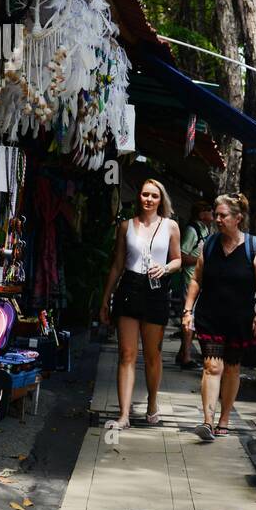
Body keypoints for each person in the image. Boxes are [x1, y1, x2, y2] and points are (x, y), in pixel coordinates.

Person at [182, 193, 256, 441]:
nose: (218, 219)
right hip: (210, 316)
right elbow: (196, 279)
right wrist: (188, 310)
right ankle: (207, 422)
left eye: (223, 215)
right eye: (216, 214)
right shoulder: (209, 245)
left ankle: (224, 418)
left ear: (237, 218)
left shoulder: (253, 246)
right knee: (212, 365)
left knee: (232, 368)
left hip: (240, 319)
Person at [99, 179, 182, 429]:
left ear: (161, 200)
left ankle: (152, 403)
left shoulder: (170, 226)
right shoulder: (126, 226)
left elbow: (178, 259)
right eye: (145, 194)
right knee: (126, 354)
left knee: (152, 355)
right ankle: (123, 415)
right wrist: (105, 299)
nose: (148, 199)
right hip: (130, 287)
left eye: (154, 196)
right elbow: (117, 264)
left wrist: (165, 267)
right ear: (139, 197)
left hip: (156, 289)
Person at [175, 200, 214, 370]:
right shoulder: (192, 230)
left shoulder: (205, 230)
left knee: (192, 320)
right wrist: (202, 261)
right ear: (201, 214)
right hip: (190, 280)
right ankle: (186, 357)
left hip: (200, 282)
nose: (213, 214)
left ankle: (182, 353)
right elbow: (181, 256)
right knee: (189, 319)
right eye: (209, 210)